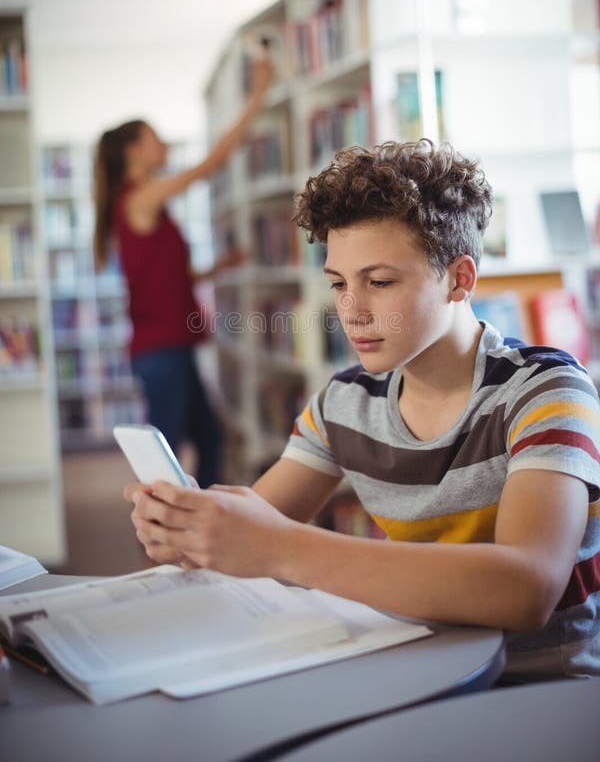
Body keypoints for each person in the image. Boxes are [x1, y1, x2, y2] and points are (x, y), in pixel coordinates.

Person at [124, 138, 600, 680]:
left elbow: (527, 588)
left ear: (459, 279)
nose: (351, 311)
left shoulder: (546, 389)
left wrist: (279, 548)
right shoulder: (344, 402)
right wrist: (192, 529)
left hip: (541, 696)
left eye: (379, 282)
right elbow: (255, 525)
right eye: (338, 284)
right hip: (417, 679)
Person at [94, 56, 273, 488]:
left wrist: (218, 267)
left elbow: (171, 278)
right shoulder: (140, 198)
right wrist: (258, 95)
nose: (164, 145)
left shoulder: (143, 203)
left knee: (209, 440)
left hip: (174, 346)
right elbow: (210, 165)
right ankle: (163, 535)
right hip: (161, 351)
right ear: (134, 151)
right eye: (154, 139)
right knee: (167, 450)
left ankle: (202, 527)